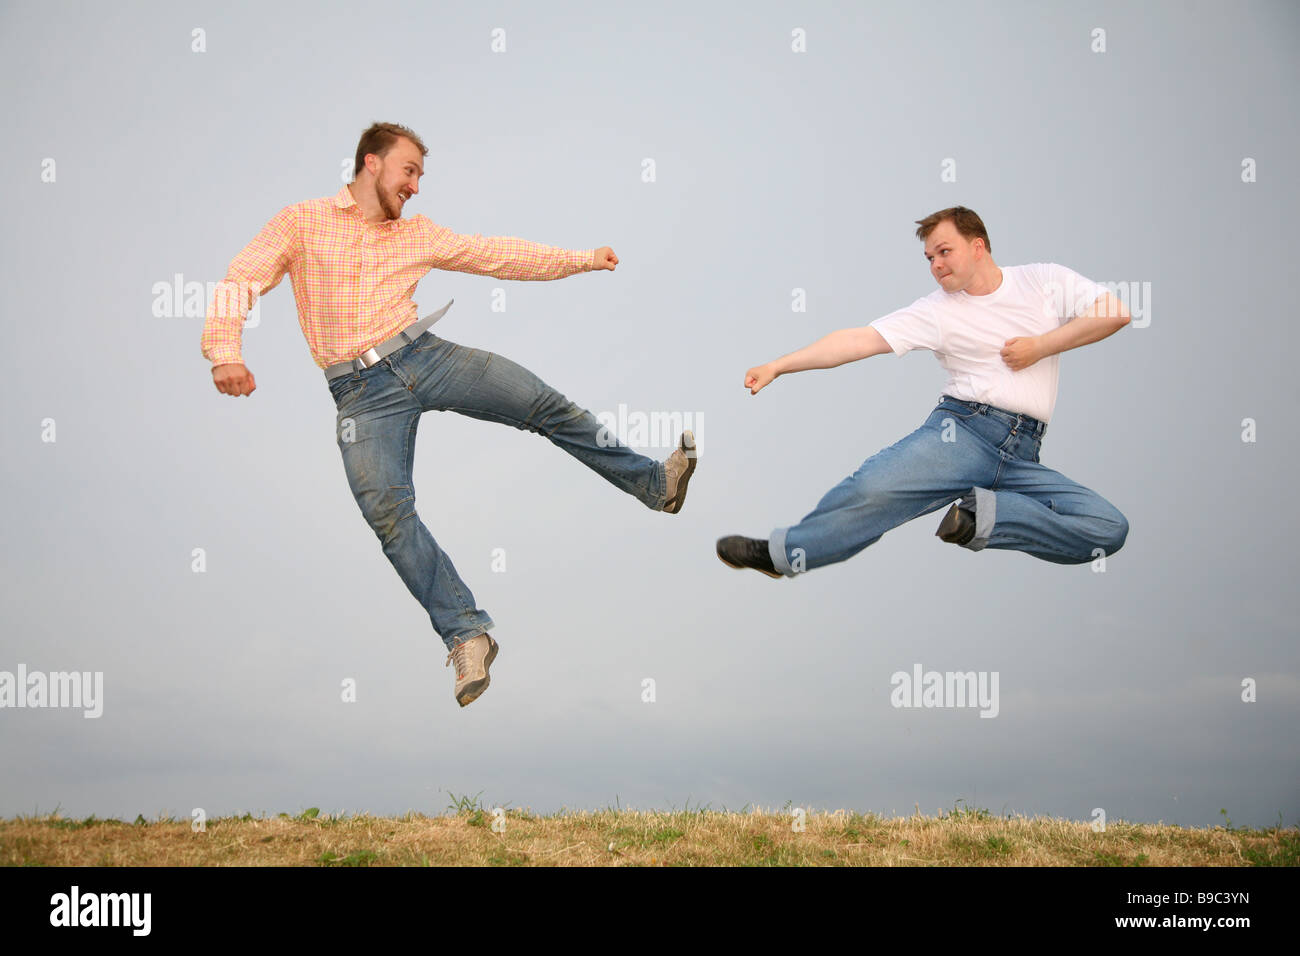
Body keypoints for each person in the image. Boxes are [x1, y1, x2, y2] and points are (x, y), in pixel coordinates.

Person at [202, 122, 697, 708]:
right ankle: (466, 632)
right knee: (387, 514)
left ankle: (653, 483)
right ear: (371, 163)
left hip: (425, 356)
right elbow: (243, 277)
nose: (414, 186)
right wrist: (224, 352)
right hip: (361, 396)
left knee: (543, 404)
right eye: (408, 171)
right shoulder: (303, 221)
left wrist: (581, 259)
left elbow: (496, 254)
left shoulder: (419, 235)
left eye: (419, 176)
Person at [717, 206, 1129, 578]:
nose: (936, 264)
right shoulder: (936, 309)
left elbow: (1116, 313)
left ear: (978, 246)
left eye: (944, 252)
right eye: (929, 258)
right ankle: (782, 553)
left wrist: (1041, 346)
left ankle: (983, 517)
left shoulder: (1042, 280)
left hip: (1024, 456)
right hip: (964, 436)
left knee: (1107, 528)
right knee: (872, 488)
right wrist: (779, 366)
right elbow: (859, 341)